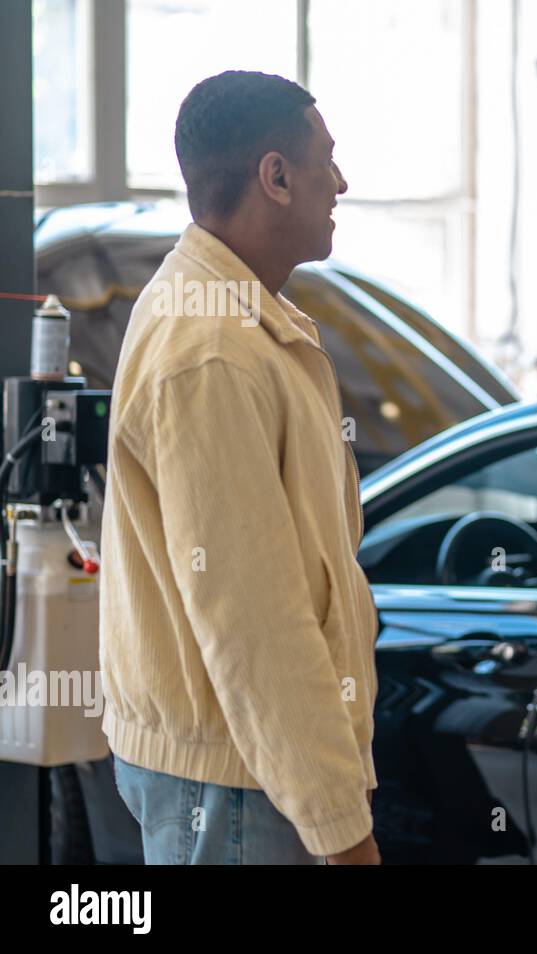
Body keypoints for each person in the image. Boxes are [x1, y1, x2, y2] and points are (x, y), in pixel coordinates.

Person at [99, 70, 380, 865]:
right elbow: (254, 619)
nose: (342, 181)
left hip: (243, 777)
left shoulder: (240, 322)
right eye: (327, 159)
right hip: (236, 788)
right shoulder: (213, 352)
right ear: (277, 176)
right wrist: (341, 832)